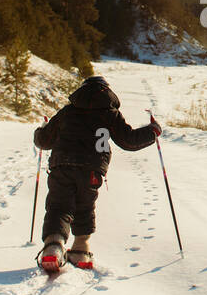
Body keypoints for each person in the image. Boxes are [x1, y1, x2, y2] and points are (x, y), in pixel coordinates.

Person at [33, 76, 160, 271]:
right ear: (107, 92)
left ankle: (53, 247)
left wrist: (39, 131)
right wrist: (152, 131)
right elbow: (129, 141)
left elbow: (44, 140)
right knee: (85, 207)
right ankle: (81, 250)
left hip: (62, 166)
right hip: (92, 169)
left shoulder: (67, 112)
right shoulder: (110, 114)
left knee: (59, 206)